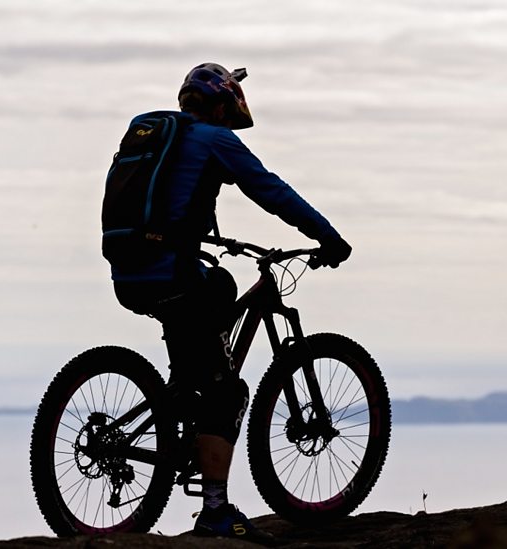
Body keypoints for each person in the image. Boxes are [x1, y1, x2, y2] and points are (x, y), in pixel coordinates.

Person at [109, 62, 352, 542]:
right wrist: (329, 238)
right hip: (172, 273)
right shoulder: (215, 140)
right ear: (222, 105)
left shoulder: (158, 136)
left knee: (207, 302)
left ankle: (179, 396)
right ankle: (215, 510)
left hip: (129, 271)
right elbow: (272, 191)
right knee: (225, 389)